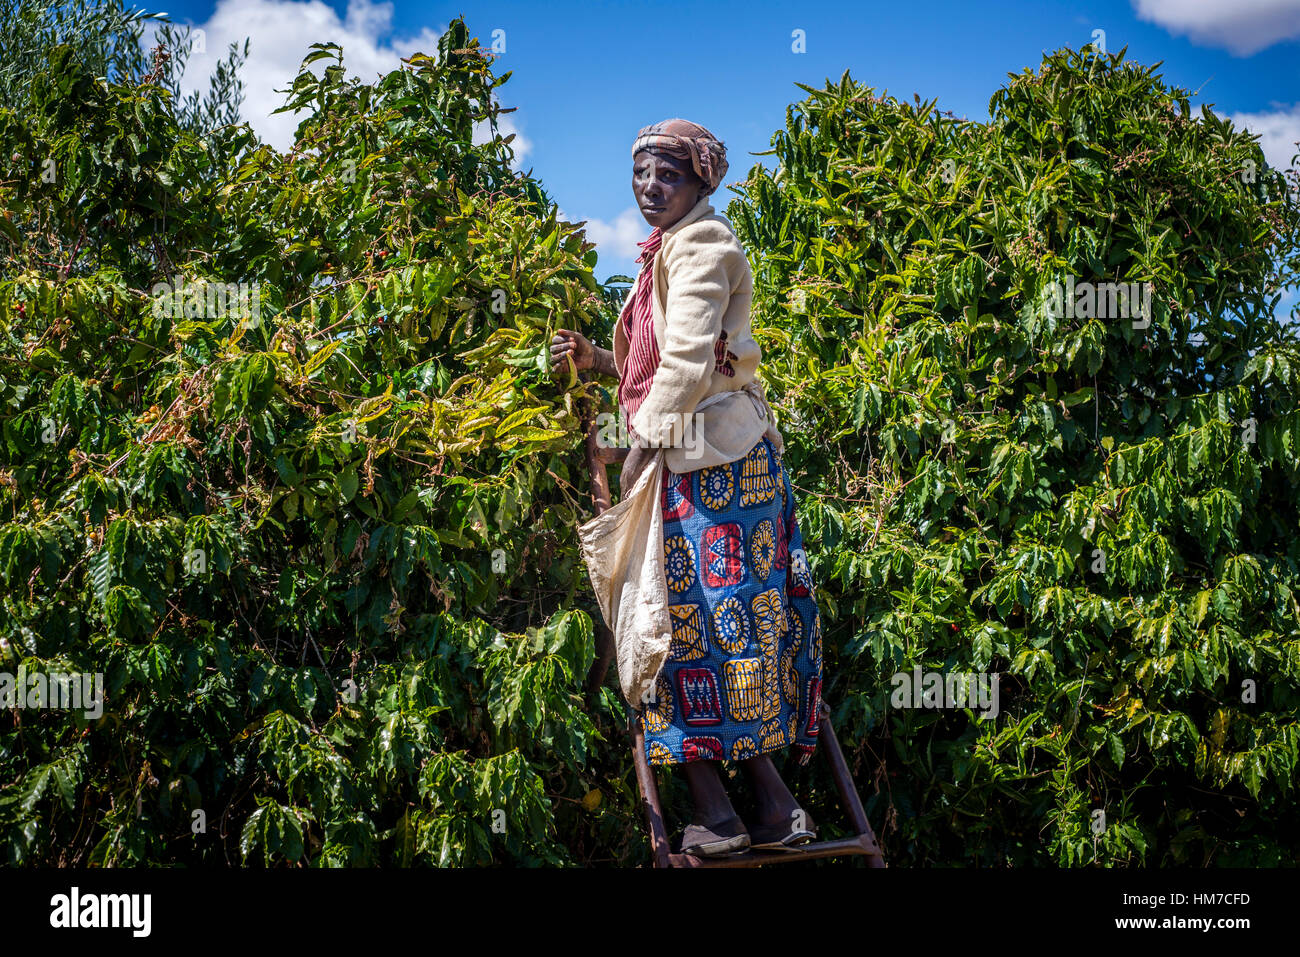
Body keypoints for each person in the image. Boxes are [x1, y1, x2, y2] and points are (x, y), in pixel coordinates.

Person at [551, 118, 824, 857]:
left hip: (717, 474)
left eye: (665, 177)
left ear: (700, 183)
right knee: (702, 632)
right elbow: (665, 360)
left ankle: (727, 816)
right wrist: (598, 363)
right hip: (704, 467)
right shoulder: (668, 250)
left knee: (684, 634)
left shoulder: (704, 244)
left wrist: (640, 449)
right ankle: (765, 811)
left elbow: (689, 369)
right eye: (640, 175)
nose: (648, 189)